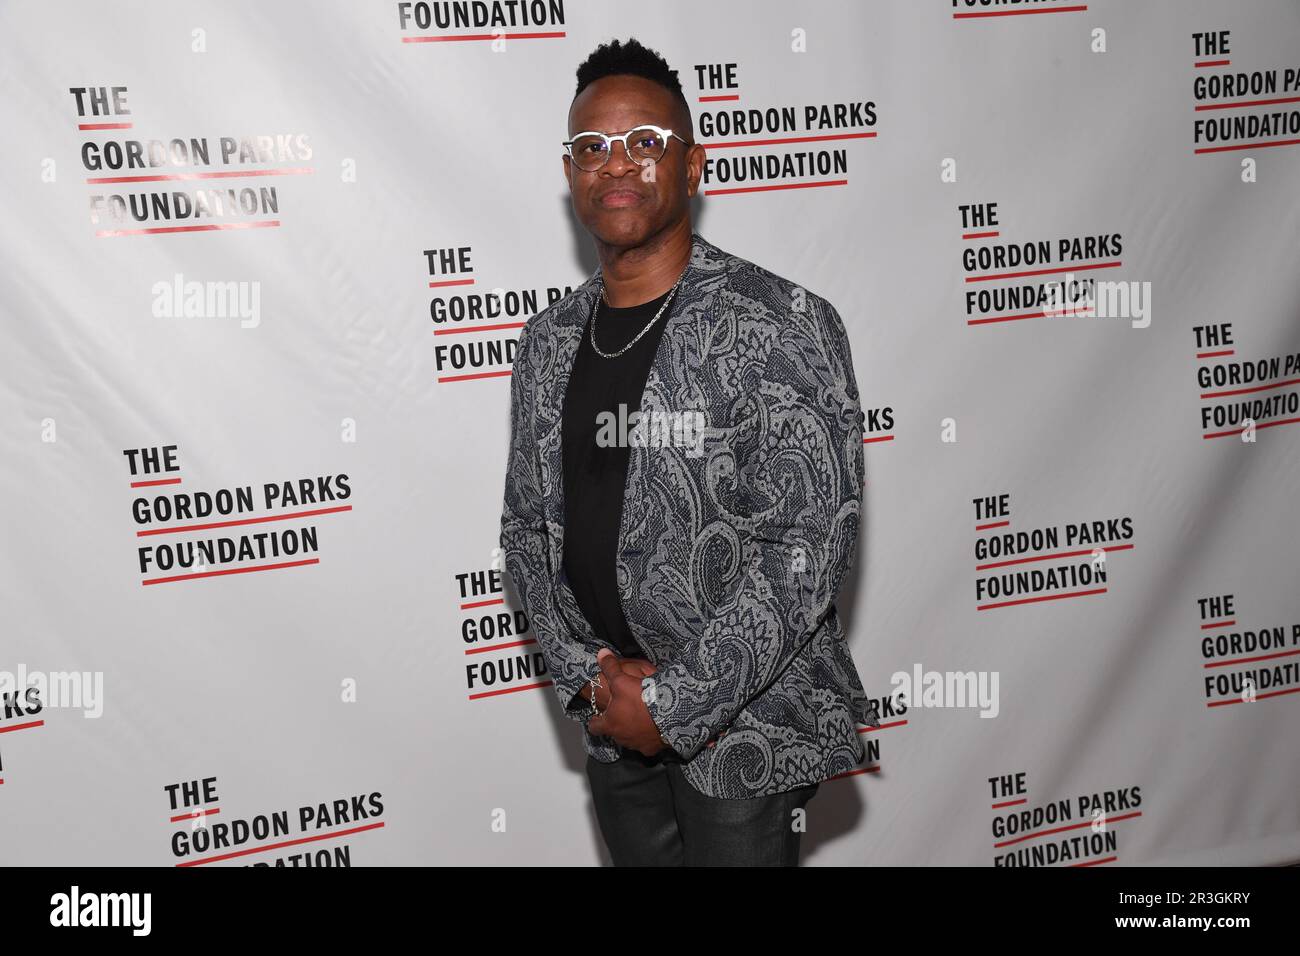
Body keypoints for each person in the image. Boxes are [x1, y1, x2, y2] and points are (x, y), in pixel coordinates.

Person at [498, 37, 878, 867]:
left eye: (646, 142)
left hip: (741, 724)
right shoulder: (546, 342)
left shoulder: (776, 320)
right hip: (608, 721)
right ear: (570, 176)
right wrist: (594, 678)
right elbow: (526, 533)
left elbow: (806, 551)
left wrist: (672, 704)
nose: (617, 164)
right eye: (592, 148)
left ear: (694, 166)